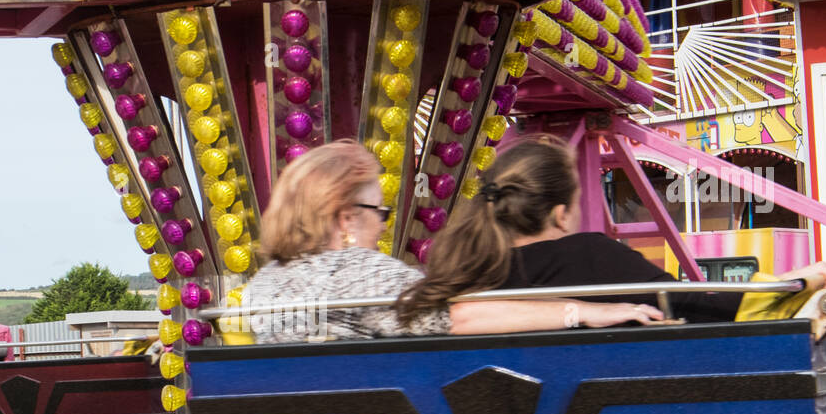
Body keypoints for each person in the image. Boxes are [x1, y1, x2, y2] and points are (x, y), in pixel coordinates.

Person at [241, 139, 663, 342]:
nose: (384, 225)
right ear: (347, 218)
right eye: (379, 212)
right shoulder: (354, 271)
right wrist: (581, 313)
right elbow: (454, 319)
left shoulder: (264, 284)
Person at [397, 136, 826, 328]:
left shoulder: (459, 275)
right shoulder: (591, 258)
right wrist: (793, 287)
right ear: (561, 214)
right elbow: (699, 308)